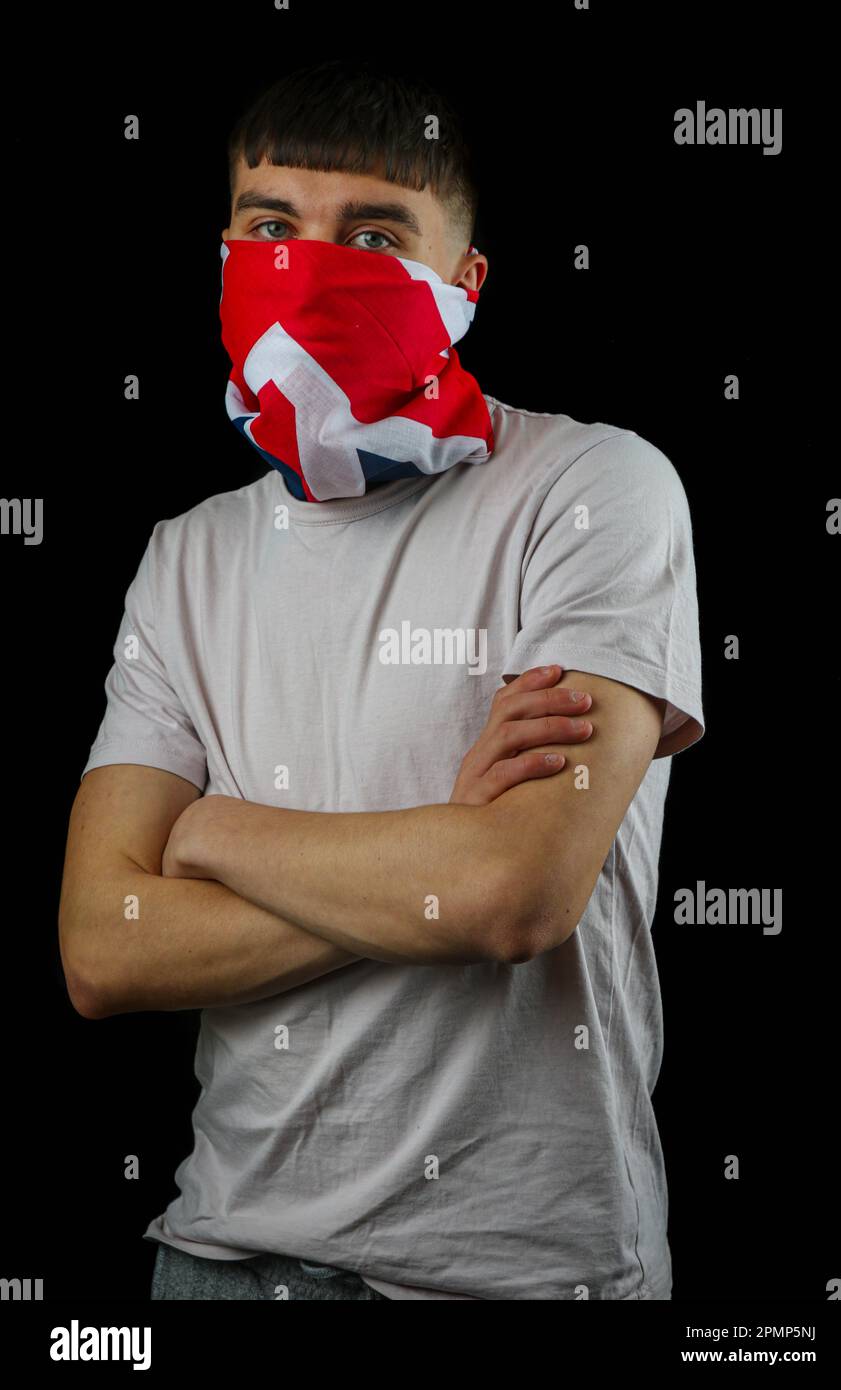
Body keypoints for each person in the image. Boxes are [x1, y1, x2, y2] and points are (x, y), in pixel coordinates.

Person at [58, 57, 705, 1301]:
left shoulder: (593, 492)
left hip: (517, 1277)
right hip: (216, 1261)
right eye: (270, 227)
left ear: (464, 286)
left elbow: (513, 899)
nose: (311, 265)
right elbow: (104, 948)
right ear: (226, 254)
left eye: (372, 231)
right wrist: (437, 861)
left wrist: (214, 831)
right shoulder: (186, 555)